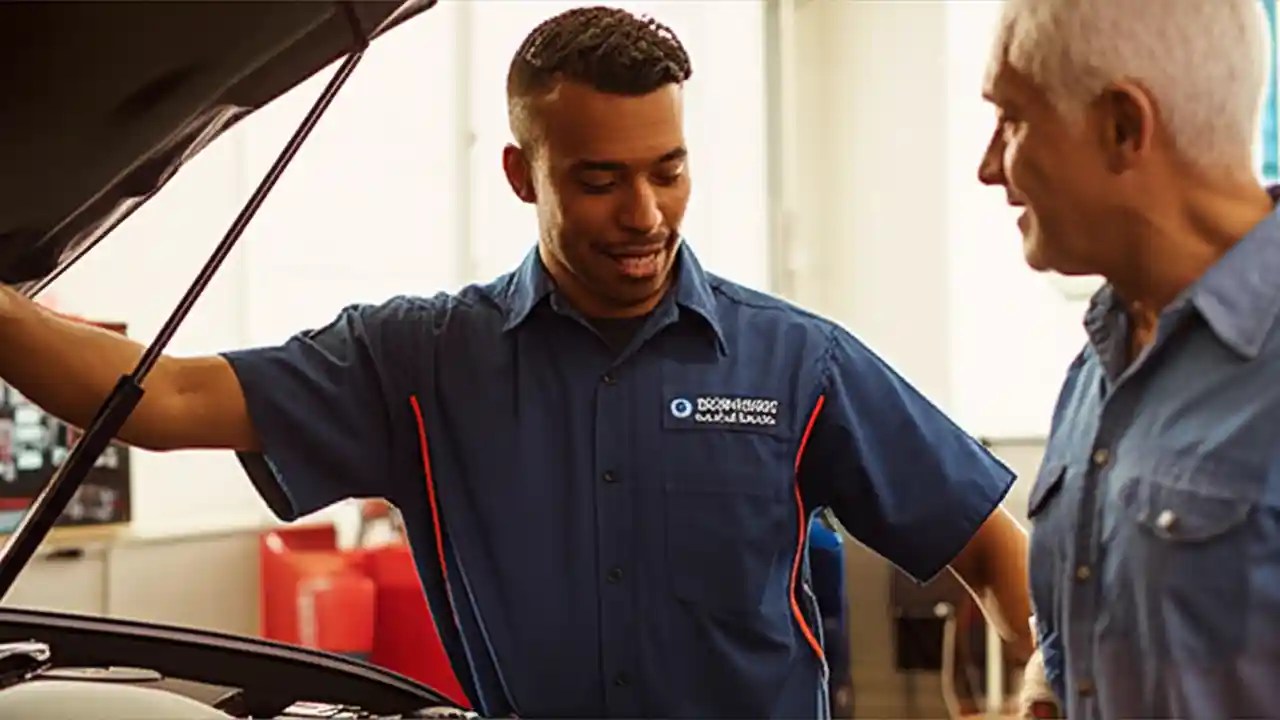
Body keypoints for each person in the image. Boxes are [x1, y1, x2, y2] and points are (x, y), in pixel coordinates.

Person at [0, 6, 1034, 718]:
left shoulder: (795, 362)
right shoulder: (420, 362)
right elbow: (166, 396)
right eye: (599, 181)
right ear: (520, 172)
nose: (645, 215)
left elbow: (994, 550)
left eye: (668, 171)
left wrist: (1046, 689)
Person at [978, 0, 1280, 717]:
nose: (989, 168)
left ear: (1122, 127)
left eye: (1012, 119)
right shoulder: (1098, 366)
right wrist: (1045, 694)